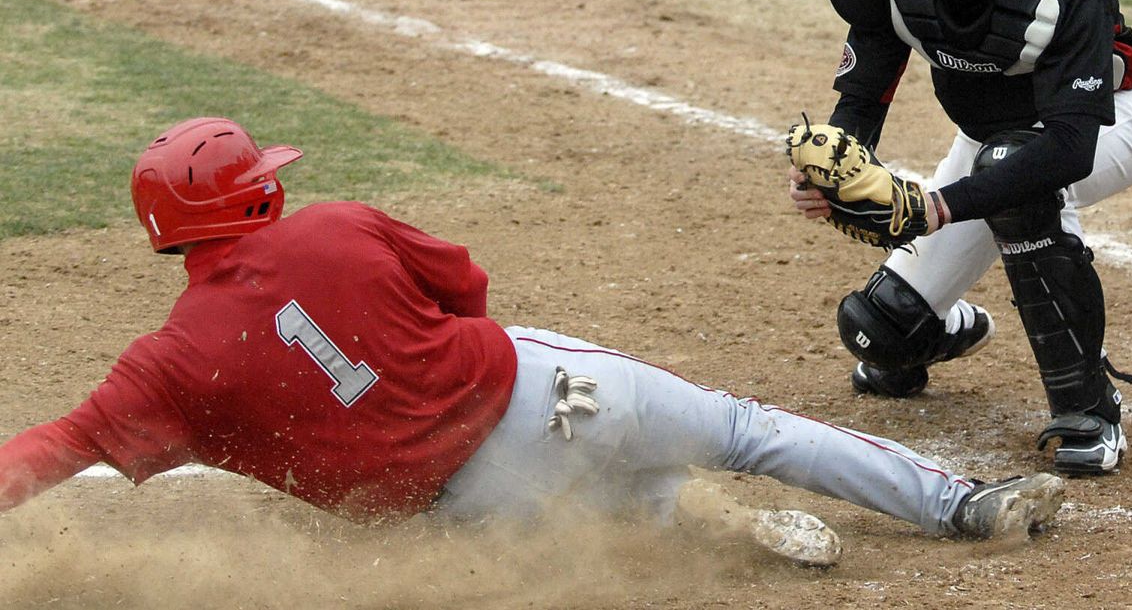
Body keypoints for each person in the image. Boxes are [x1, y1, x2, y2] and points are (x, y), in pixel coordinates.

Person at [0, 117, 1065, 566]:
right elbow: (468, 288)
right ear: (256, 194)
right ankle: (960, 504)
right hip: (554, 392)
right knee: (749, 429)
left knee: (610, 515)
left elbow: (54, 446)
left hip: (473, 507)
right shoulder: (336, 224)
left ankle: (716, 529)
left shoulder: (167, 365)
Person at [789, 0, 1132, 476]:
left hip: (1114, 119)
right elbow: (861, 100)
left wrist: (939, 205)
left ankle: (1089, 409)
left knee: (1018, 185)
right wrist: (830, 172)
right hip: (993, 139)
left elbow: (1068, 150)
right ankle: (948, 325)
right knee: (881, 331)